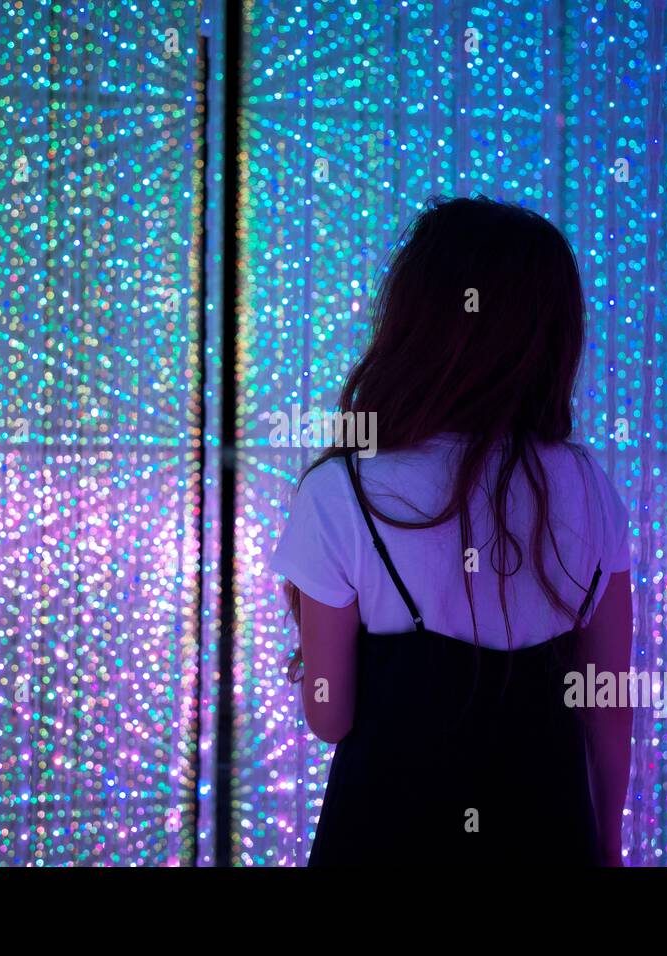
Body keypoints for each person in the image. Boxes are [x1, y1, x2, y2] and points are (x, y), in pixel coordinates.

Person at [270, 195, 633, 866]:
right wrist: (608, 844)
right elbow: (608, 707)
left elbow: (331, 718)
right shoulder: (588, 486)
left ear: (413, 323)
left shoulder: (340, 491)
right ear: (552, 336)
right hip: (549, 840)